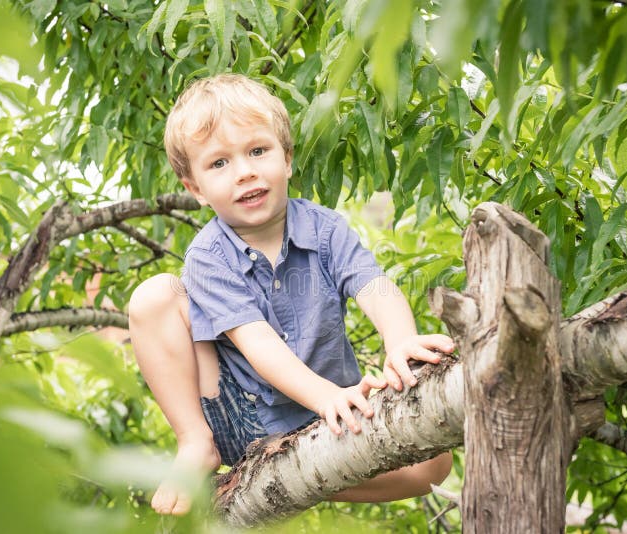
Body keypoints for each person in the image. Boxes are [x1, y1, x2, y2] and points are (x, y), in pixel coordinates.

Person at [128, 73, 454, 515]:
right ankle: (194, 443)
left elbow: (375, 286)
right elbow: (256, 343)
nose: (245, 172)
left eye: (257, 151)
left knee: (434, 465)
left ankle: (309, 473)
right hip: (241, 416)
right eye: (219, 163)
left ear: (287, 159)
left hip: (324, 416)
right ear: (196, 189)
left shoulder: (325, 229)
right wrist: (326, 397)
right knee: (155, 296)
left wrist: (400, 343)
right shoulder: (208, 255)